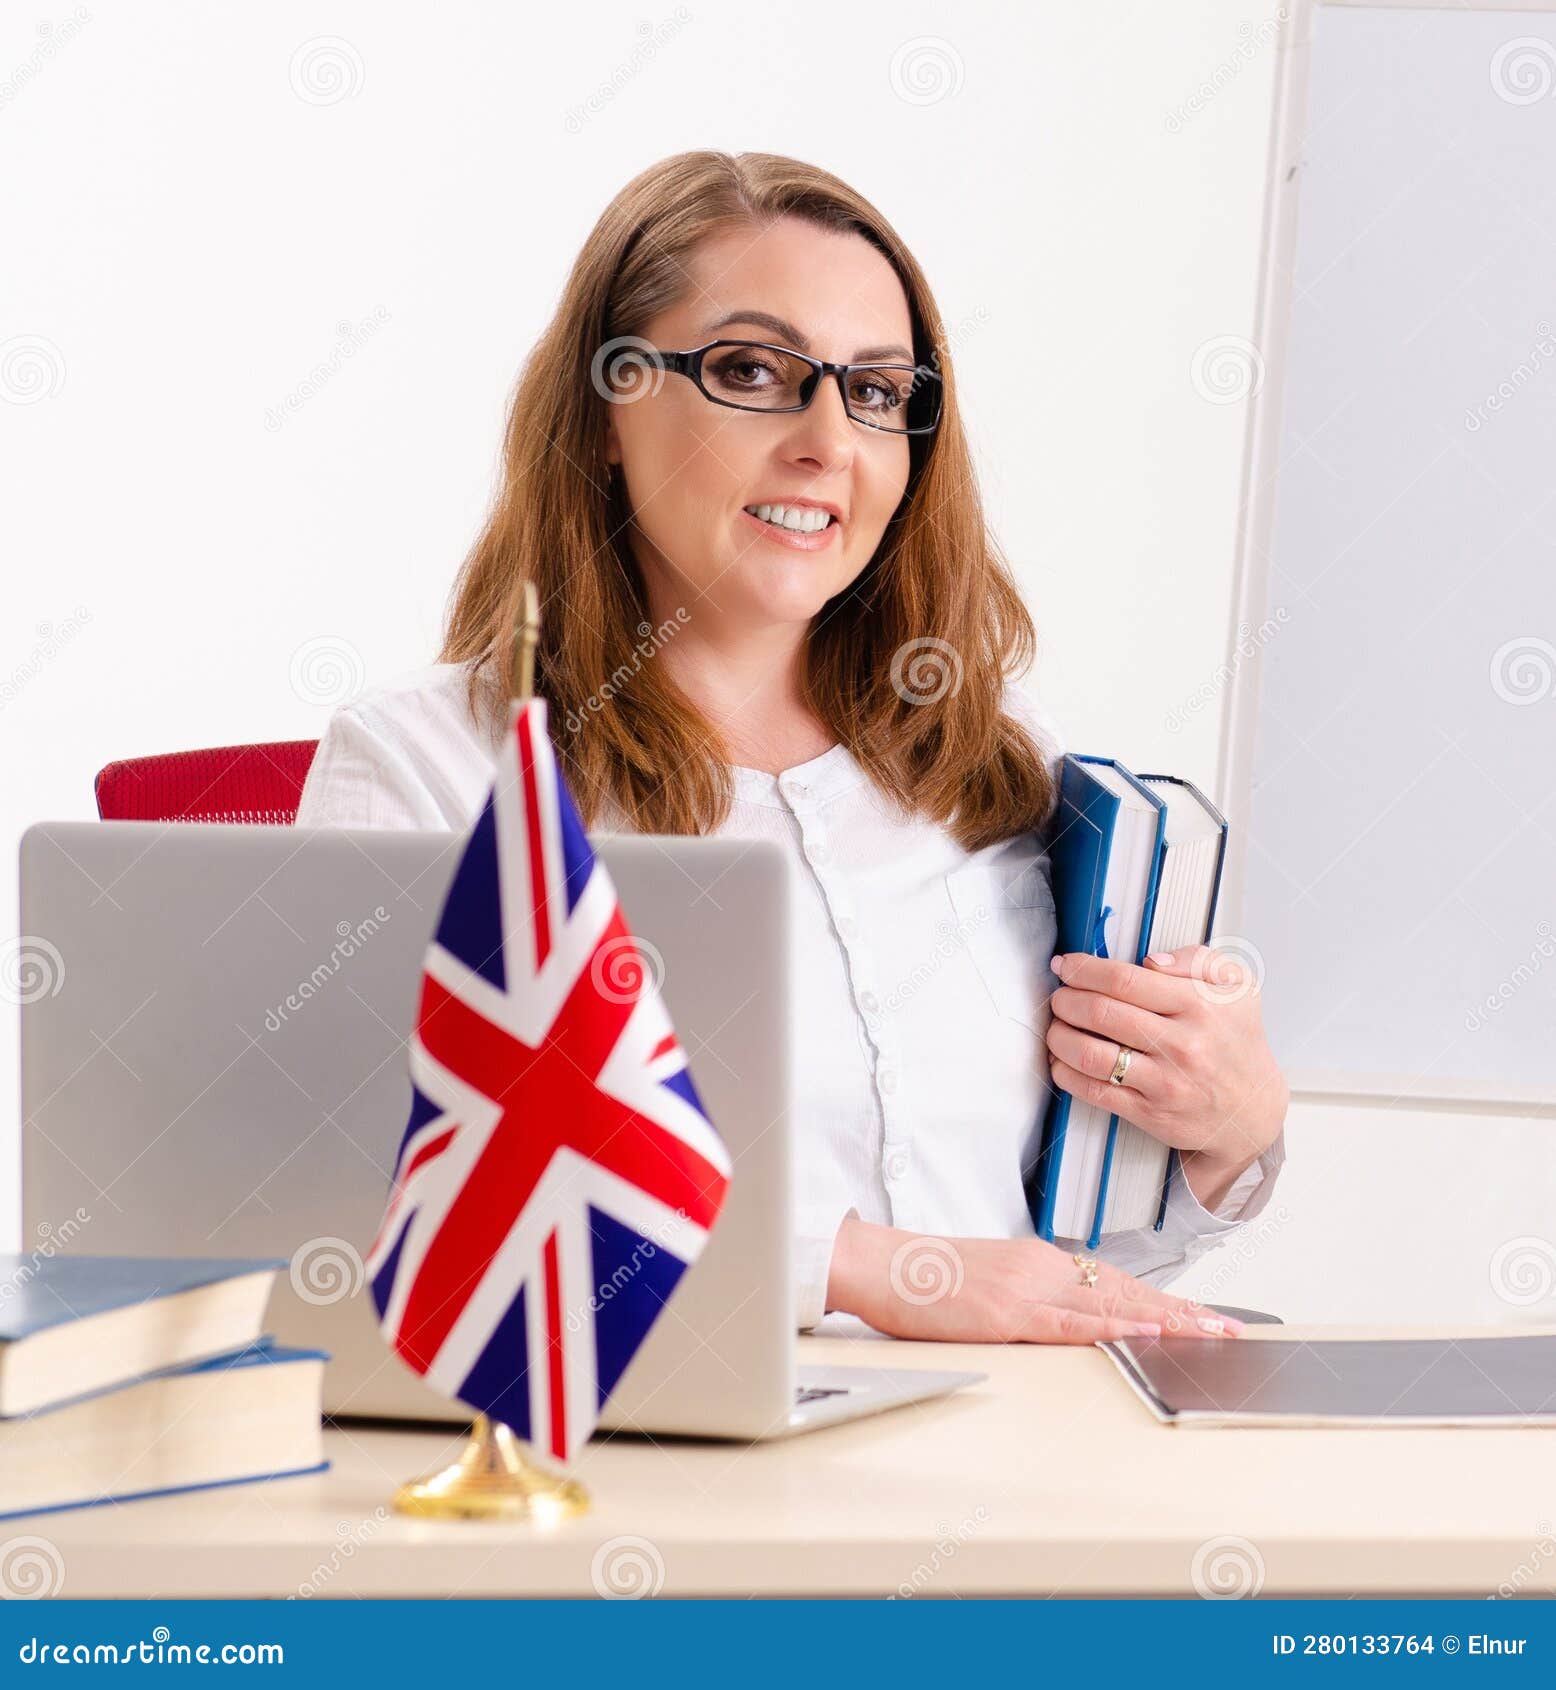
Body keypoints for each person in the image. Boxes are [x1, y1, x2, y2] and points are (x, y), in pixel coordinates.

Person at [296, 149, 1288, 1346]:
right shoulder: (433, 771)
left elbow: (1065, 1262)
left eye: (877, 391)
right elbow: (371, 1211)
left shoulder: (989, 760)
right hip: (643, 1476)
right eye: (752, 371)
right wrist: (864, 1268)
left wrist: (1225, 1129)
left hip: (1014, 1448)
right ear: (606, 409)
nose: (829, 441)